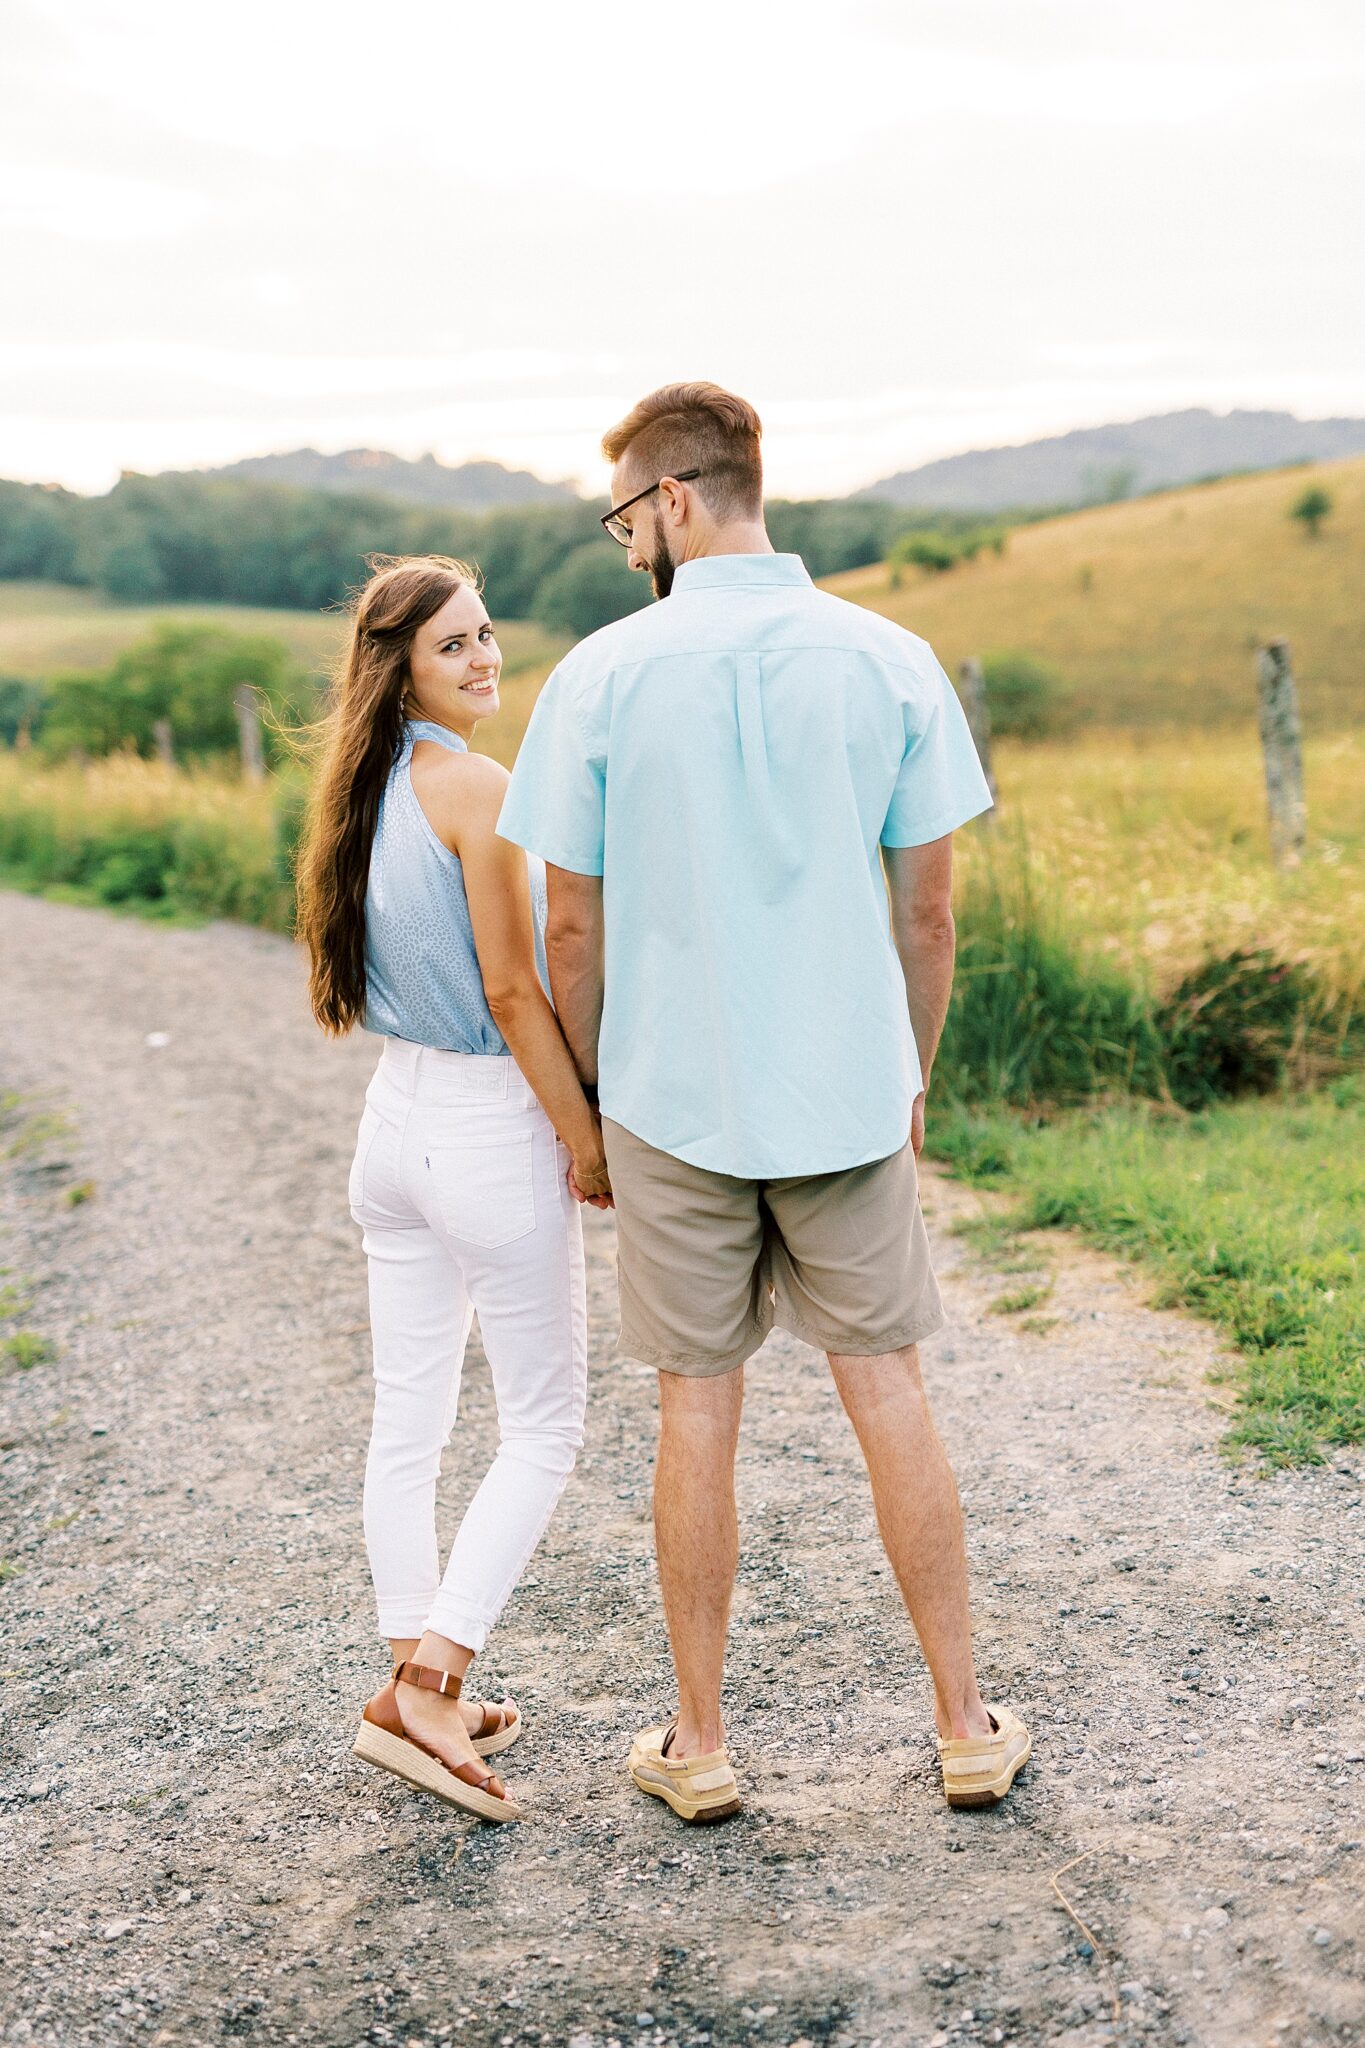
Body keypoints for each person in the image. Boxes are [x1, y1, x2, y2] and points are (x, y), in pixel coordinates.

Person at [498, 384, 1030, 1824]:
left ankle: (700, 1740)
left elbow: (568, 934)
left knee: (697, 1411)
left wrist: (599, 1108)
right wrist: (905, 1071)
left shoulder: (600, 679)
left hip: (671, 1101)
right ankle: (965, 1725)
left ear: (671, 501)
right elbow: (929, 919)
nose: (625, 545)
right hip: (849, 1096)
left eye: (625, 517)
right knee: (890, 1393)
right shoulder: (890, 660)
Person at [296, 554, 610, 1824]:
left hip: (392, 1122)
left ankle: (408, 1679)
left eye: (487, 634)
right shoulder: (477, 786)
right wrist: (582, 1136)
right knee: (545, 1421)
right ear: (404, 668)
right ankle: (436, 1675)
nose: (486, 658)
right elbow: (513, 991)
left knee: (410, 1419)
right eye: (456, 646)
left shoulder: (358, 789)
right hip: (484, 1122)